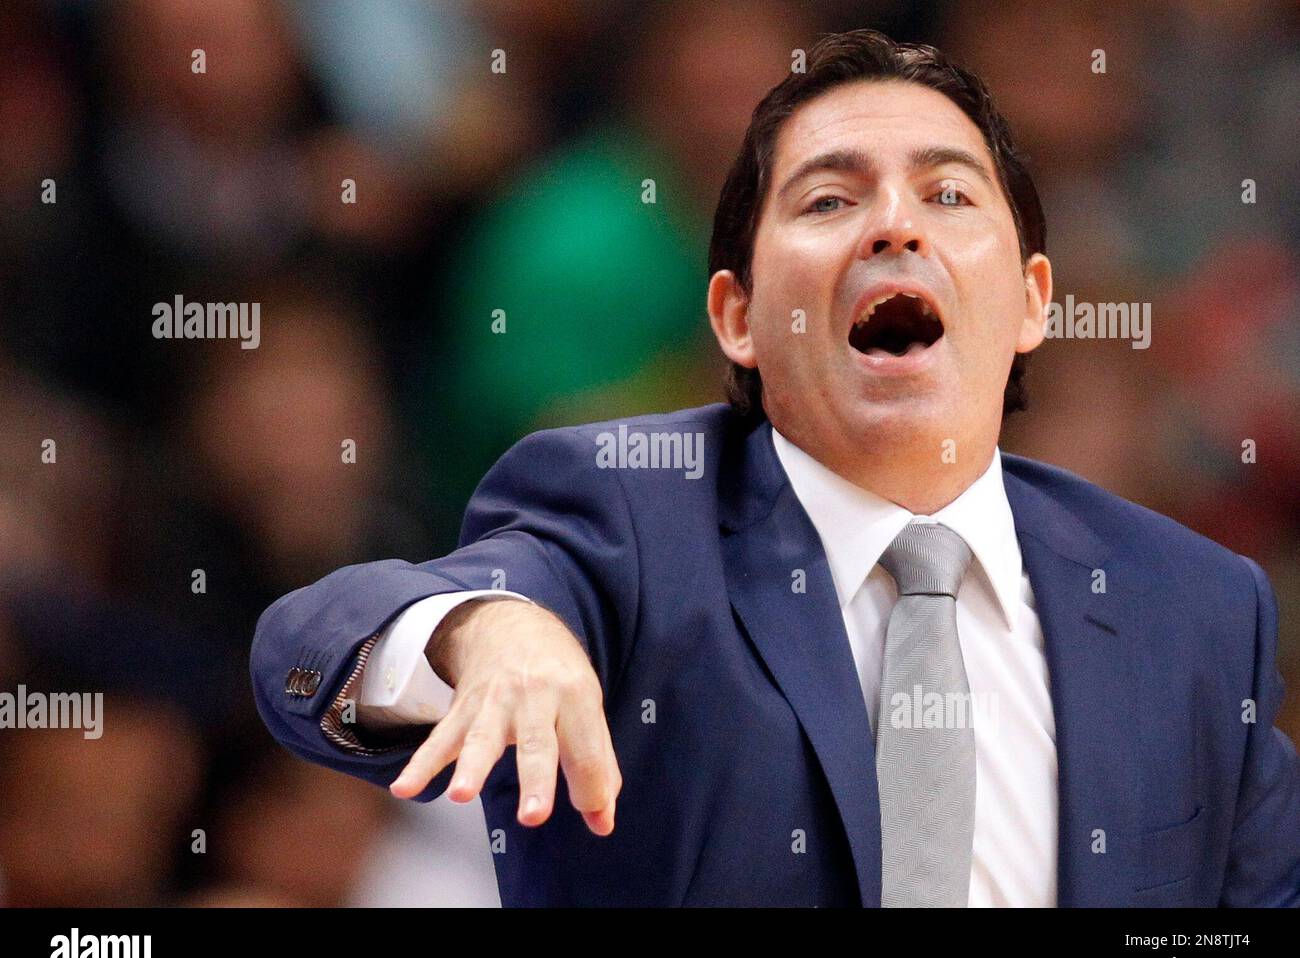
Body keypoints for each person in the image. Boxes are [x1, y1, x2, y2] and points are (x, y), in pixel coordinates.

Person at [250, 30, 1300, 906]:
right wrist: (482, 630)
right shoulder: (629, 515)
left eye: (946, 193)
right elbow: (305, 650)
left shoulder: (1194, 605)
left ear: (1031, 300)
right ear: (738, 315)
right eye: (829, 200)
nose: (895, 224)